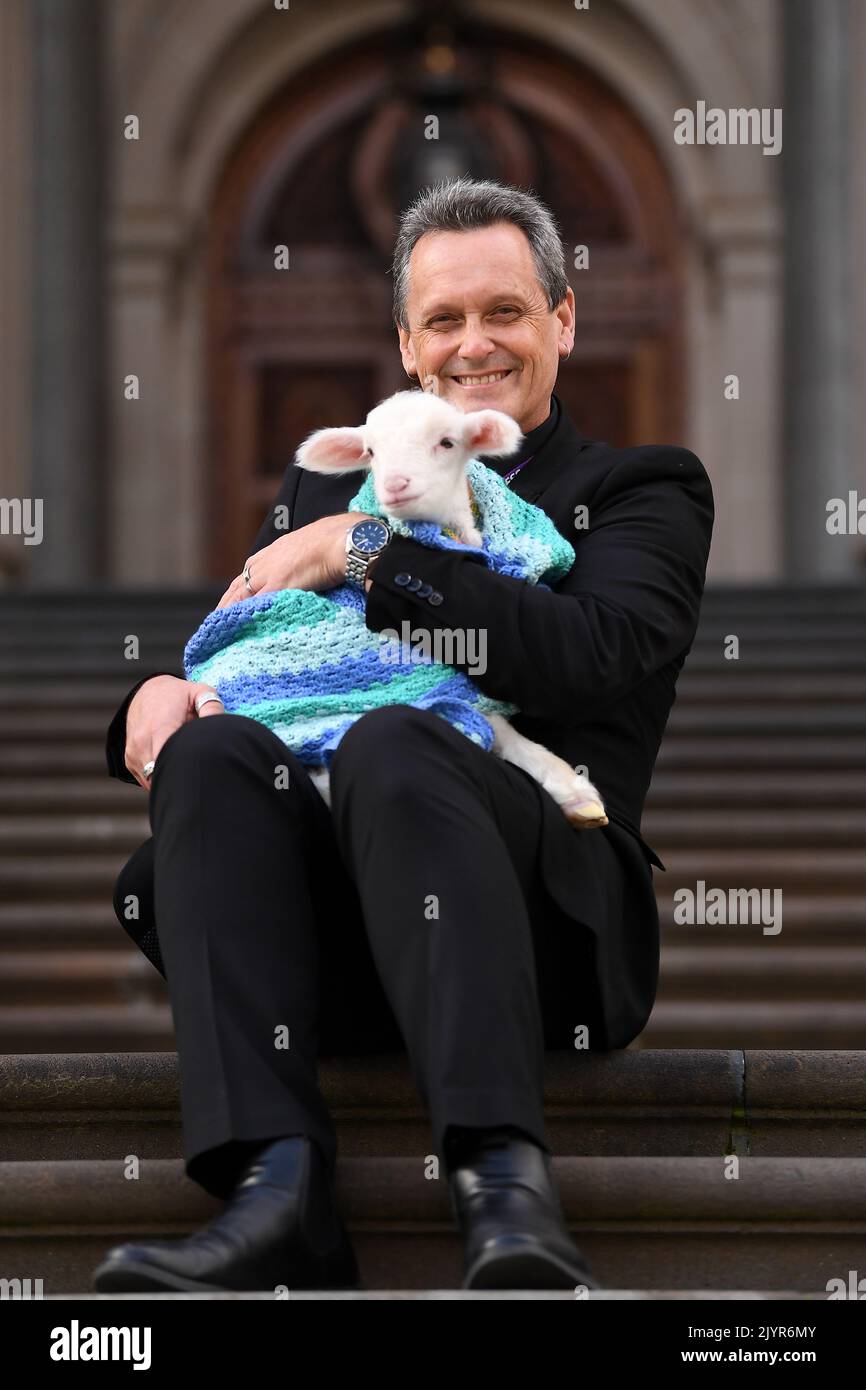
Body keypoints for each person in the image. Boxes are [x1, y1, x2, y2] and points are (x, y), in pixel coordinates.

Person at [92, 177, 714, 1293]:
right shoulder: (333, 484)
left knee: (394, 738)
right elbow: (271, 638)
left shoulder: (639, 492)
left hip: (536, 928)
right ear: (405, 342)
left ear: (562, 320)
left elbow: (585, 656)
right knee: (218, 751)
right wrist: (160, 693)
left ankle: (501, 1184)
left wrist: (369, 554)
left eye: (505, 311)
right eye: (442, 319)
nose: (472, 343)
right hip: (340, 929)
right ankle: (273, 1188)